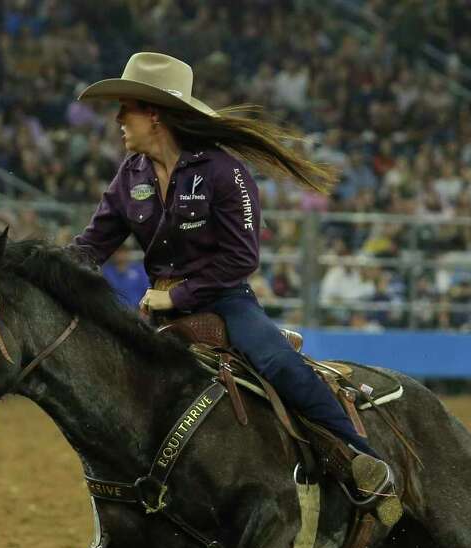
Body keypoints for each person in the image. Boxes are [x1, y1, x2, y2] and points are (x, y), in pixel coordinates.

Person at [68, 52, 397, 519]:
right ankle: (110, 547)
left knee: (276, 362)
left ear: (154, 114)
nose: (119, 119)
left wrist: (176, 296)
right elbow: (89, 246)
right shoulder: (131, 176)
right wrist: (37, 268)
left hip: (224, 301)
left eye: (127, 108)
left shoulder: (224, 172)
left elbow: (242, 258)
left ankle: (360, 459)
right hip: (158, 309)